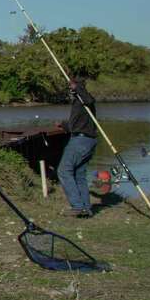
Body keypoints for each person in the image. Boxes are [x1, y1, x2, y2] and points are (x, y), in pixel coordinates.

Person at [59, 78, 98, 217]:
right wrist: (63, 125)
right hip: (87, 140)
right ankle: (86, 209)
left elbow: (89, 100)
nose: (70, 88)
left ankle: (77, 206)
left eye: (71, 86)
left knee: (64, 171)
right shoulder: (78, 102)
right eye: (70, 86)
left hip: (80, 141)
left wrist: (78, 88)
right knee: (79, 175)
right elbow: (74, 125)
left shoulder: (84, 98)